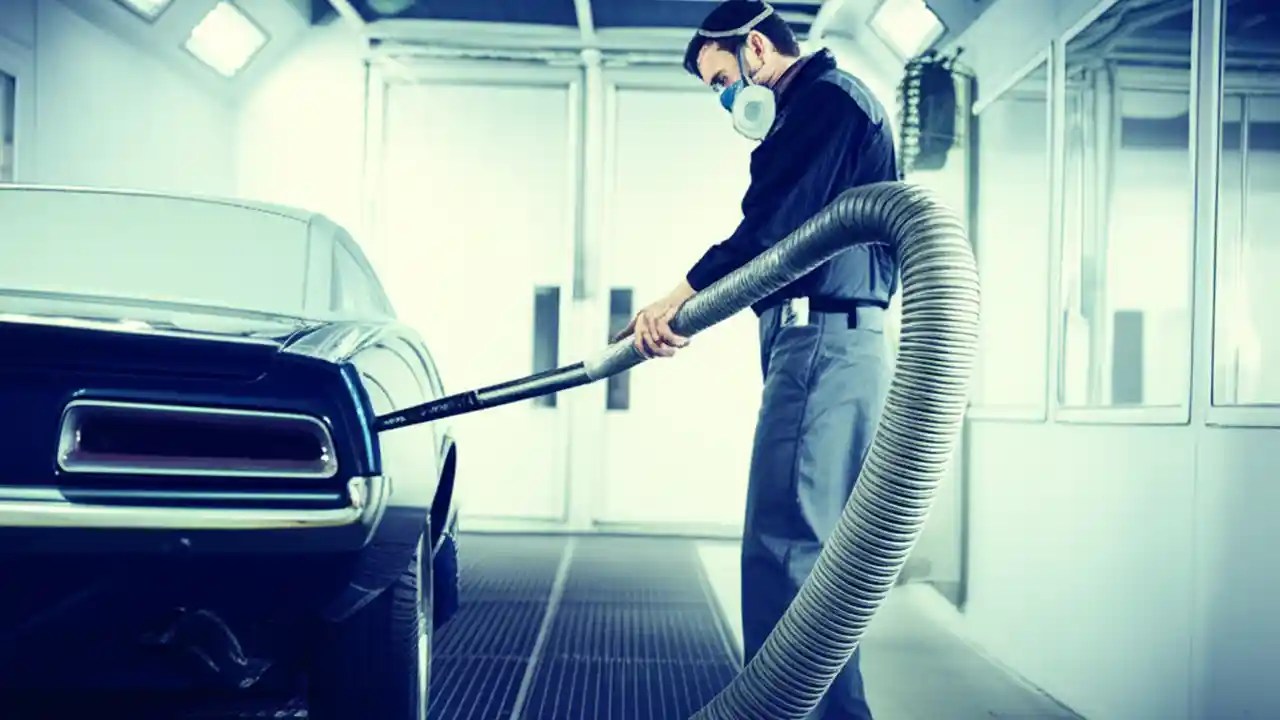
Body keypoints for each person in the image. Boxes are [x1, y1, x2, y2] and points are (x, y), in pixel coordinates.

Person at [614, 2, 899, 718]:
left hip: (822, 344)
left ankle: (778, 711)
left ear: (755, 49)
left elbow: (766, 234)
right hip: (827, 340)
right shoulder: (822, 109)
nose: (724, 101)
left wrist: (671, 302)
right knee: (822, 564)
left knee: (786, 552)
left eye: (720, 82)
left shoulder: (825, 104)